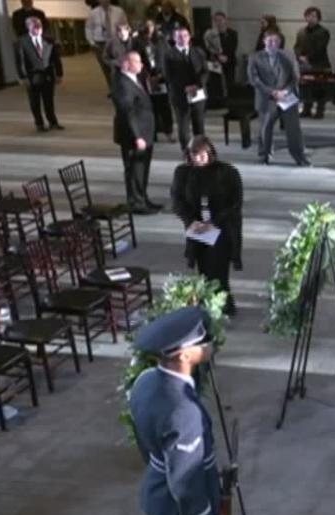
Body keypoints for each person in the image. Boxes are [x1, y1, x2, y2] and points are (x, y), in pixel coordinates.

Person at [129, 306, 238, 515]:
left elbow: (145, 443)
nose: (207, 346)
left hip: (159, 496)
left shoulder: (146, 381)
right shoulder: (184, 411)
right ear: (183, 355)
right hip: (185, 511)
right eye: (201, 343)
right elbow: (186, 479)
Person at [171, 136, 244, 318]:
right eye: (194, 154)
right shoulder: (183, 173)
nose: (198, 158)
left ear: (209, 152)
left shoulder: (227, 172)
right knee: (203, 267)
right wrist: (192, 223)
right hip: (198, 228)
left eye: (202, 153)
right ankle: (209, 301)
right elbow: (177, 202)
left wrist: (213, 222)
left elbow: (235, 203)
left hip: (222, 227)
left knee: (218, 268)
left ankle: (223, 304)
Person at [247, 31, 311, 166]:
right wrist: (272, 92)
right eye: (269, 41)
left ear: (279, 43)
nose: (272, 44)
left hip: (287, 97)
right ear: (264, 41)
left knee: (294, 129)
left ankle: (299, 156)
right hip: (267, 98)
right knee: (266, 128)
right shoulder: (255, 57)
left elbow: (295, 77)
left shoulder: (288, 56)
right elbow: (254, 79)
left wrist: (285, 91)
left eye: (275, 41)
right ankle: (265, 155)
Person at [112, 51, 159, 214]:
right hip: (134, 136)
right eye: (137, 61)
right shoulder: (123, 84)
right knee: (135, 170)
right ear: (126, 64)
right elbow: (128, 112)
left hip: (144, 133)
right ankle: (136, 203)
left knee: (142, 169)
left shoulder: (133, 79)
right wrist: (137, 136)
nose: (141, 64)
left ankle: (143, 198)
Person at [164, 26, 210, 154]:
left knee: (199, 125)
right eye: (179, 36)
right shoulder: (169, 55)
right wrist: (186, 88)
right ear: (174, 38)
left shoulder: (198, 52)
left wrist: (197, 85)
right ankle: (187, 152)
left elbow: (205, 71)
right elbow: (169, 76)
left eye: (185, 36)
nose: (182, 39)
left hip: (198, 94)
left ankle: (200, 150)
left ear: (189, 37)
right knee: (183, 126)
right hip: (180, 95)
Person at [14, 17, 64, 133]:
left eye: (39, 26)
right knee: (34, 101)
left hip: (47, 74)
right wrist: (22, 77)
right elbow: (19, 61)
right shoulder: (21, 42)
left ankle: (53, 122)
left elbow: (55, 58)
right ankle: (39, 124)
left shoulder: (49, 40)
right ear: (28, 27)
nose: (37, 28)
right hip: (31, 75)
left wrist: (59, 74)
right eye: (34, 26)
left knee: (49, 99)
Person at [133, 18, 175, 143]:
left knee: (164, 106)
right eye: (146, 26)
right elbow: (135, 59)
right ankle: (152, 133)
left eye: (151, 26)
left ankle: (169, 132)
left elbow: (168, 57)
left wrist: (162, 74)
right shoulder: (137, 41)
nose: (148, 28)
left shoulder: (161, 40)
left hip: (161, 78)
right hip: (145, 78)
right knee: (150, 107)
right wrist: (147, 76)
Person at [294, 6, 333, 119]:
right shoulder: (301, 32)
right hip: (304, 64)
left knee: (320, 88)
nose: (311, 18)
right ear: (305, 17)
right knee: (306, 88)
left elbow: (320, 48)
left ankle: (320, 111)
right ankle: (306, 109)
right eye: (309, 16)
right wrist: (299, 56)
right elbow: (297, 46)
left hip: (320, 64)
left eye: (314, 16)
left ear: (318, 18)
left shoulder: (323, 32)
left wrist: (308, 57)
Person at [85, 0, 127, 92]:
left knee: (118, 65)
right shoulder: (93, 13)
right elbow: (88, 28)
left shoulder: (118, 11)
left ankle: (121, 86)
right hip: (100, 43)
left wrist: (124, 38)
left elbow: (124, 25)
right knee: (106, 67)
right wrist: (91, 42)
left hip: (115, 42)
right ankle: (113, 89)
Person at [203, 12, 240, 97]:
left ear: (225, 20)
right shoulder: (210, 34)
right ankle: (218, 103)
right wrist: (218, 56)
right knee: (215, 84)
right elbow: (208, 48)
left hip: (229, 61)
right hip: (214, 61)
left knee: (229, 83)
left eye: (220, 20)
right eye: (216, 20)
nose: (218, 22)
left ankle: (229, 102)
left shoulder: (233, 33)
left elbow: (233, 47)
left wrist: (226, 57)